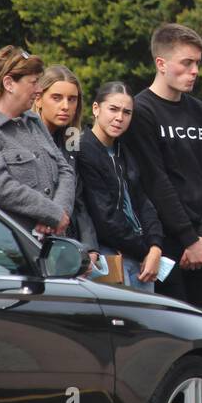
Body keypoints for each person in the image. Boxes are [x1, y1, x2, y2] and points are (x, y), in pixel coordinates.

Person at [129, 23, 202, 310]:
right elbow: (155, 181)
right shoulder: (140, 111)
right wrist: (188, 239)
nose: (195, 71)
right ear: (161, 64)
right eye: (186, 63)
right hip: (164, 245)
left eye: (197, 63)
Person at [0, 46, 75, 237]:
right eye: (34, 82)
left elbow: (65, 170)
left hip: (47, 248)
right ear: (9, 84)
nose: (39, 90)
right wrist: (49, 212)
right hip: (4, 251)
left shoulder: (33, 121)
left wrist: (59, 212)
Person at [78, 82, 165, 291]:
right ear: (96, 109)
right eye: (113, 109)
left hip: (141, 256)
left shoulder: (124, 150)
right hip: (110, 255)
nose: (120, 118)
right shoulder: (84, 150)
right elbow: (104, 217)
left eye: (127, 112)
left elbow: (142, 201)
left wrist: (156, 246)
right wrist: (146, 249)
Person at [34, 66, 100, 263]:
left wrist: (90, 246)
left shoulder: (71, 142)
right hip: (33, 241)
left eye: (72, 99)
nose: (65, 106)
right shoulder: (23, 137)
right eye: (57, 97)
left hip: (68, 245)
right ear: (38, 98)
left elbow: (78, 200)